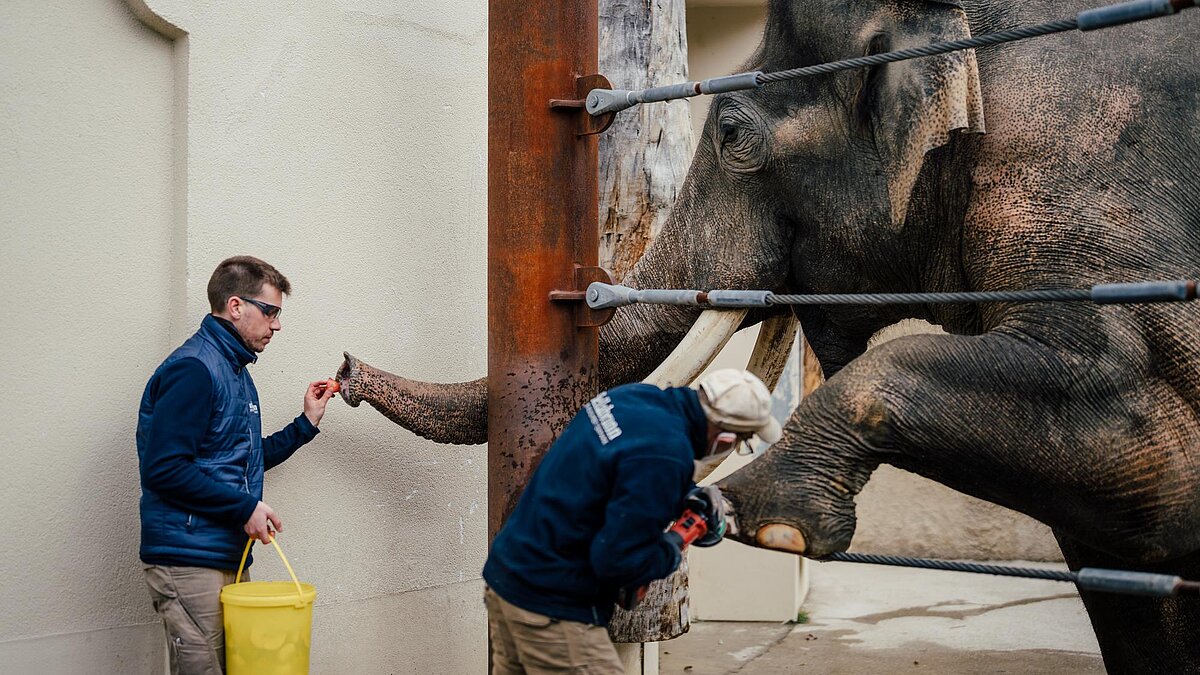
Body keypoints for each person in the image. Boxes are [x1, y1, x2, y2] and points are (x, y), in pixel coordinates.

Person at [482, 368, 783, 674]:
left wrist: (684, 494)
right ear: (724, 437)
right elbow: (618, 562)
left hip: (508, 577)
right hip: (551, 606)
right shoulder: (666, 456)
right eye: (741, 441)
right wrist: (674, 545)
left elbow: (619, 471)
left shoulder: (632, 397)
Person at [136, 255, 336, 675]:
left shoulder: (235, 371)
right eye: (271, 311)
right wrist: (244, 508)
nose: (276, 325)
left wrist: (306, 423)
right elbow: (164, 468)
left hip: (224, 556)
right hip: (189, 561)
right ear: (236, 306)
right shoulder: (194, 368)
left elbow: (242, 458)